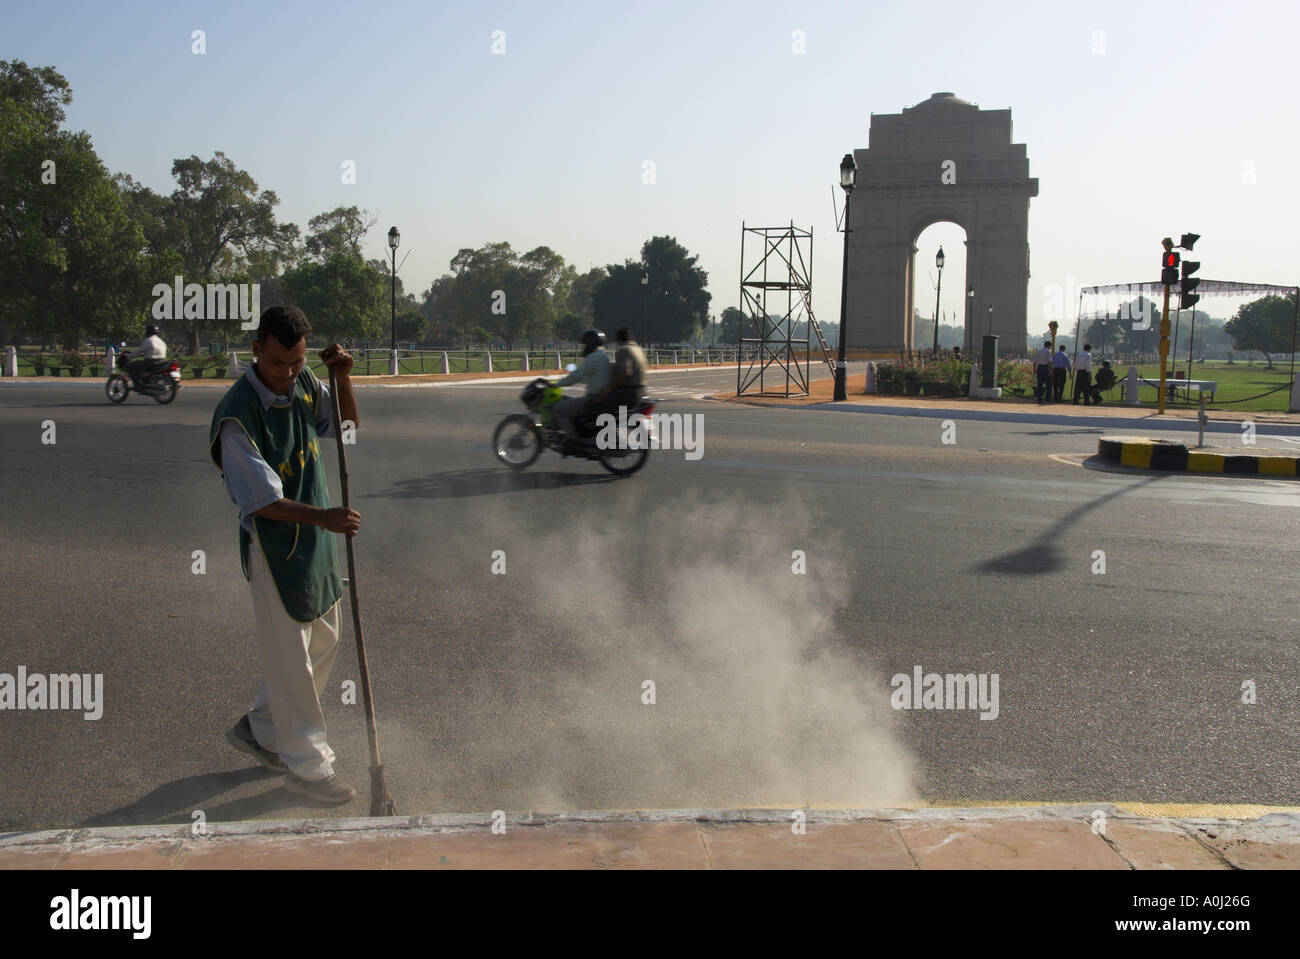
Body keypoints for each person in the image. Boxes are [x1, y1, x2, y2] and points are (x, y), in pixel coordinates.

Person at [208, 305, 360, 806]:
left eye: (297, 363)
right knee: (293, 664)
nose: (288, 374)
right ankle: (308, 768)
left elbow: (347, 430)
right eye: (278, 363)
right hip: (276, 552)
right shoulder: (237, 417)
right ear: (256, 350)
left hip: (316, 544)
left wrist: (339, 378)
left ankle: (261, 728)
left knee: (323, 645)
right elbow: (264, 502)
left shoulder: (304, 384)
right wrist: (325, 517)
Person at [551, 329, 612, 444]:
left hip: (593, 398)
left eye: (585, 344)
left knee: (559, 409)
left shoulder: (593, 358)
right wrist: (572, 377)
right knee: (567, 401)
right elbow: (588, 378)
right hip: (601, 397)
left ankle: (571, 439)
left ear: (590, 344)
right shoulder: (603, 356)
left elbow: (576, 376)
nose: (583, 347)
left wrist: (556, 384)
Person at [595, 327, 647, 415]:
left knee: (600, 405)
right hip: (642, 391)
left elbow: (625, 373)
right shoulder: (638, 349)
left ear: (618, 340)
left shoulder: (624, 349)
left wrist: (608, 389)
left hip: (630, 393)